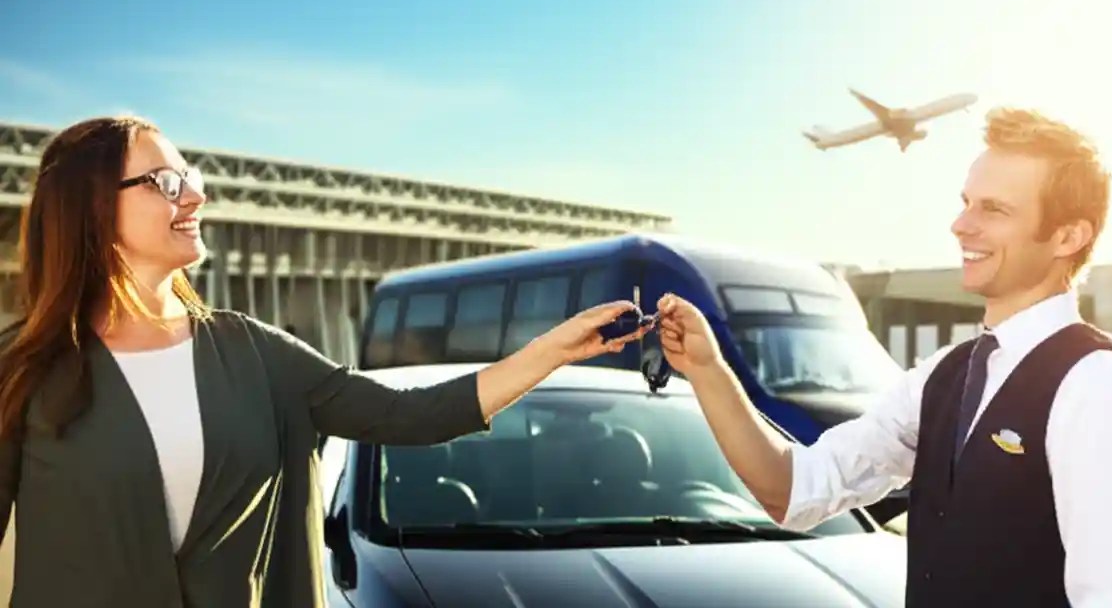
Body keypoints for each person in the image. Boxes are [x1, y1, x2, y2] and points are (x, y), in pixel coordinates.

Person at [0, 116, 650, 607]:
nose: (195, 197)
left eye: (192, 179)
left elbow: (412, 415)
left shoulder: (254, 353)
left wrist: (551, 352)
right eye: (166, 183)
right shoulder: (21, 371)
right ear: (90, 210)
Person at [656, 108, 1112, 607]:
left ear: (1068, 236)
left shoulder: (1101, 386)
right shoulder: (944, 374)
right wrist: (708, 370)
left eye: (993, 209)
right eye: (966, 201)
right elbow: (792, 491)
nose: (960, 225)